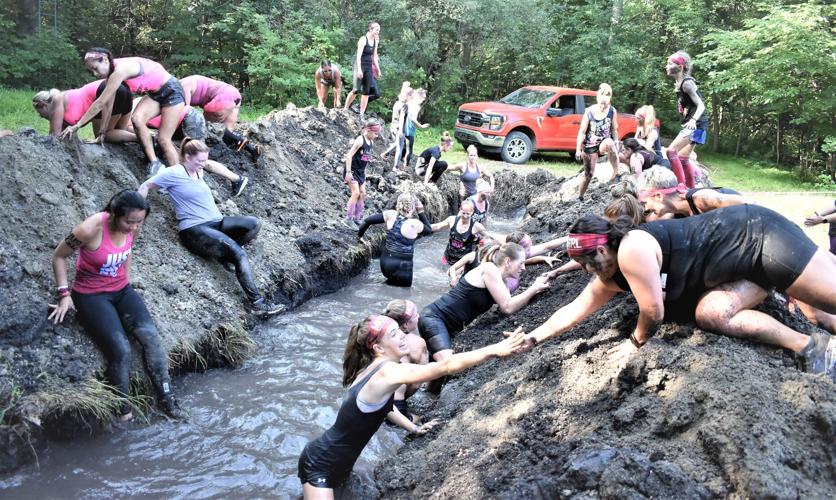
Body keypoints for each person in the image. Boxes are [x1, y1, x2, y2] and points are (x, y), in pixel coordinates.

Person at [520, 207, 836, 381]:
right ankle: (811, 347)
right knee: (711, 314)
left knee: (828, 305)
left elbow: (653, 313)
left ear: (603, 248)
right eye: (581, 264)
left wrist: (634, 344)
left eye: (588, 261)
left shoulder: (632, 248)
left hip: (761, 237)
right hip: (741, 271)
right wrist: (532, 338)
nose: (587, 270)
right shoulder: (610, 274)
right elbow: (575, 309)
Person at [298, 314, 526, 497]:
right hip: (320, 463)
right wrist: (493, 350)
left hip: (340, 463)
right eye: (394, 334)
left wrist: (413, 428)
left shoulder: (375, 369)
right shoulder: (388, 372)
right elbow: (444, 366)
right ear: (378, 348)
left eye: (399, 330)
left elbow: (386, 408)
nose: (403, 335)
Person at [48, 190, 184, 420]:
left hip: (121, 290)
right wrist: (64, 294)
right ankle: (124, 414)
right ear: (114, 214)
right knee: (121, 350)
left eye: (139, 222)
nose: (134, 227)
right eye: (129, 222)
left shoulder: (134, 226)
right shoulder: (90, 229)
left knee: (151, 338)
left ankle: (168, 401)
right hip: (91, 295)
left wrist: (126, 281)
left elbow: (128, 249)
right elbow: (59, 256)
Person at [138, 138, 283, 316]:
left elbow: (210, 165)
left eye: (205, 160)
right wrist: (137, 215)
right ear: (187, 157)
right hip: (194, 230)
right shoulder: (174, 173)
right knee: (239, 254)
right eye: (200, 161)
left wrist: (233, 177)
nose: (203, 164)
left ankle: (224, 255)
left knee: (253, 224)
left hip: (216, 222)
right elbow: (146, 185)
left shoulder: (198, 169)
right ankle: (257, 304)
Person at [62, 48, 186, 174]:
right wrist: (102, 133)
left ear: (105, 59)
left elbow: (99, 103)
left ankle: (180, 177)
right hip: (155, 94)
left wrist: (76, 126)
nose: (95, 74)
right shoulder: (111, 75)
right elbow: (107, 105)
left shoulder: (120, 70)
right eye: (91, 71)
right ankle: (155, 163)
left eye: (95, 68)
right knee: (137, 119)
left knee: (164, 139)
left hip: (172, 91)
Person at [419, 243, 551, 362]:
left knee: (437, 369)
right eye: (521, 263)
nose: (524, 268)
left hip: (450, 326)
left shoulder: (502, 281)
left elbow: (509, 305)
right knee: (447, 363)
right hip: (435, 318)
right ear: (507, 261)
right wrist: (534, 288)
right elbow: (507, 307)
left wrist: (536, 288)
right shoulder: (489, 269)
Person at [145, 105, 249, 197]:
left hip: (190, 118)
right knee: (184, 156)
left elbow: (150, 134)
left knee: (198, 160)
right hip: (181, 120)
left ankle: (237, 179)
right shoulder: (146, 107)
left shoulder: (140, 114)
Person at [357, 193, 432, 287]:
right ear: (413, 207)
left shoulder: (391, 214)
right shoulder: (414, 224)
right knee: (405, 293)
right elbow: (429, 230)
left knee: (389, 284)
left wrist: (359, 237)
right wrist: (420, 211)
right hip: (402, 266)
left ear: (398, 204)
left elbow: (367, 221)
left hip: (385, 263)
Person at [381, 300, 434, 431]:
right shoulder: (417, 343)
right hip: (395, 405)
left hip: (374, 397)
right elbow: (418, 380)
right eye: (416, 315)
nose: (419, 316)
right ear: (405, 324)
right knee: (420, 418)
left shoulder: (379, 338)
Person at [179, 74, 261, 159]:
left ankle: (239, 140)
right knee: (228, 131)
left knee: (207, 126)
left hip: (224, 97)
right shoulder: (185, 83)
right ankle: (252, 149)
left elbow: (185, 112)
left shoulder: (182, 87)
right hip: (233, 94)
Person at [33, 81, 135, 143]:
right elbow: (62, 134)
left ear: (45, 104)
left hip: (106, 91)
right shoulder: (64, 104)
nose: (40, 116)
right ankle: (143, 135)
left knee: (104, 134)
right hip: (122, 89)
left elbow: (54, 136)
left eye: (40, 112)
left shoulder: (56, 100)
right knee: (121, 130)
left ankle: (141, 138)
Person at [637, 166, 745, 221]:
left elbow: (748, 204)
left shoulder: (701, 200)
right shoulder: (677, 212)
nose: (646, 208)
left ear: (658, 196)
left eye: (645, 203)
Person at [665, 51, 708, 189]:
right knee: (683, 158)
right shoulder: (679, 83)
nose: (666, 66)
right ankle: (691, 189)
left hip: (697, 124)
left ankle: (681, 187)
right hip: (693, 124)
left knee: (671, 151)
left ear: (680, 67)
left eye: (670, 64)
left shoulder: (687, 84)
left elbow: (701, 105)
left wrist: (693, 120)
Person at [575, 83, 620, 201]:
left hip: (603, 142)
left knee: (610, 142)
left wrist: (616, 141)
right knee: (589, 174)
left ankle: (617, 174)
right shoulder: (589, 111)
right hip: (590, 146)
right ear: (598, 97)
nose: (604, 102)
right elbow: (582, 132)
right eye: (602, 97)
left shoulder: (612, 111)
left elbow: (614, 129)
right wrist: (578, 149)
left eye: (607, 97)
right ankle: (580, 196)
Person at [343, 119, 382, 229]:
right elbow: (349, 156)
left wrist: (364, 172)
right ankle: (348, 219)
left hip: (361, 172)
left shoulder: (371, 142)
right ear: (368, 130)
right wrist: (348, 172)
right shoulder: (360, 140)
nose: (376, 136)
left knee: (363, 193)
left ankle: (357, 218)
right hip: (352, 170)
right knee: (355, 193)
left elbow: (365, 159)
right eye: (375, 133)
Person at [354, 22, 381, 120]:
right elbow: (359, 56)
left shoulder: (375, 41)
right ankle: (349, 107)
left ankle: (360, 109)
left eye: (379, 31)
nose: (378, 32)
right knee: (356, 90)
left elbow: (375, 57)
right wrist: (359, 69)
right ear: (370, 29)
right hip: (362, 67)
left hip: (370, 70)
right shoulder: (363, 40)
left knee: (374, 93)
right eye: (376, 30)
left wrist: (378, 70)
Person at [381, 83, 411, 170]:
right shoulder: (404, 105)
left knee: (398, 143)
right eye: (411, 96)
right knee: (399, 147)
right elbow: (401, 118)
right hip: (399, 128)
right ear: (407, 96)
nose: (411, 98)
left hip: (393, 126)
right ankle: (395, 167)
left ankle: (385, 154)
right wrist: (401, 130)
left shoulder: (397, 103)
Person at [403, 89, 431, 166]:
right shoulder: (417, 106)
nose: (423, 100)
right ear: (418, 96)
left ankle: (398, 164)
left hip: (402, 129)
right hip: (409, 130)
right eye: (423, 97)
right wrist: (421, 127)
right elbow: (413, 119)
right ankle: (404, 168)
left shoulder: (408, 103)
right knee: (409, 151)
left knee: (402, 147)